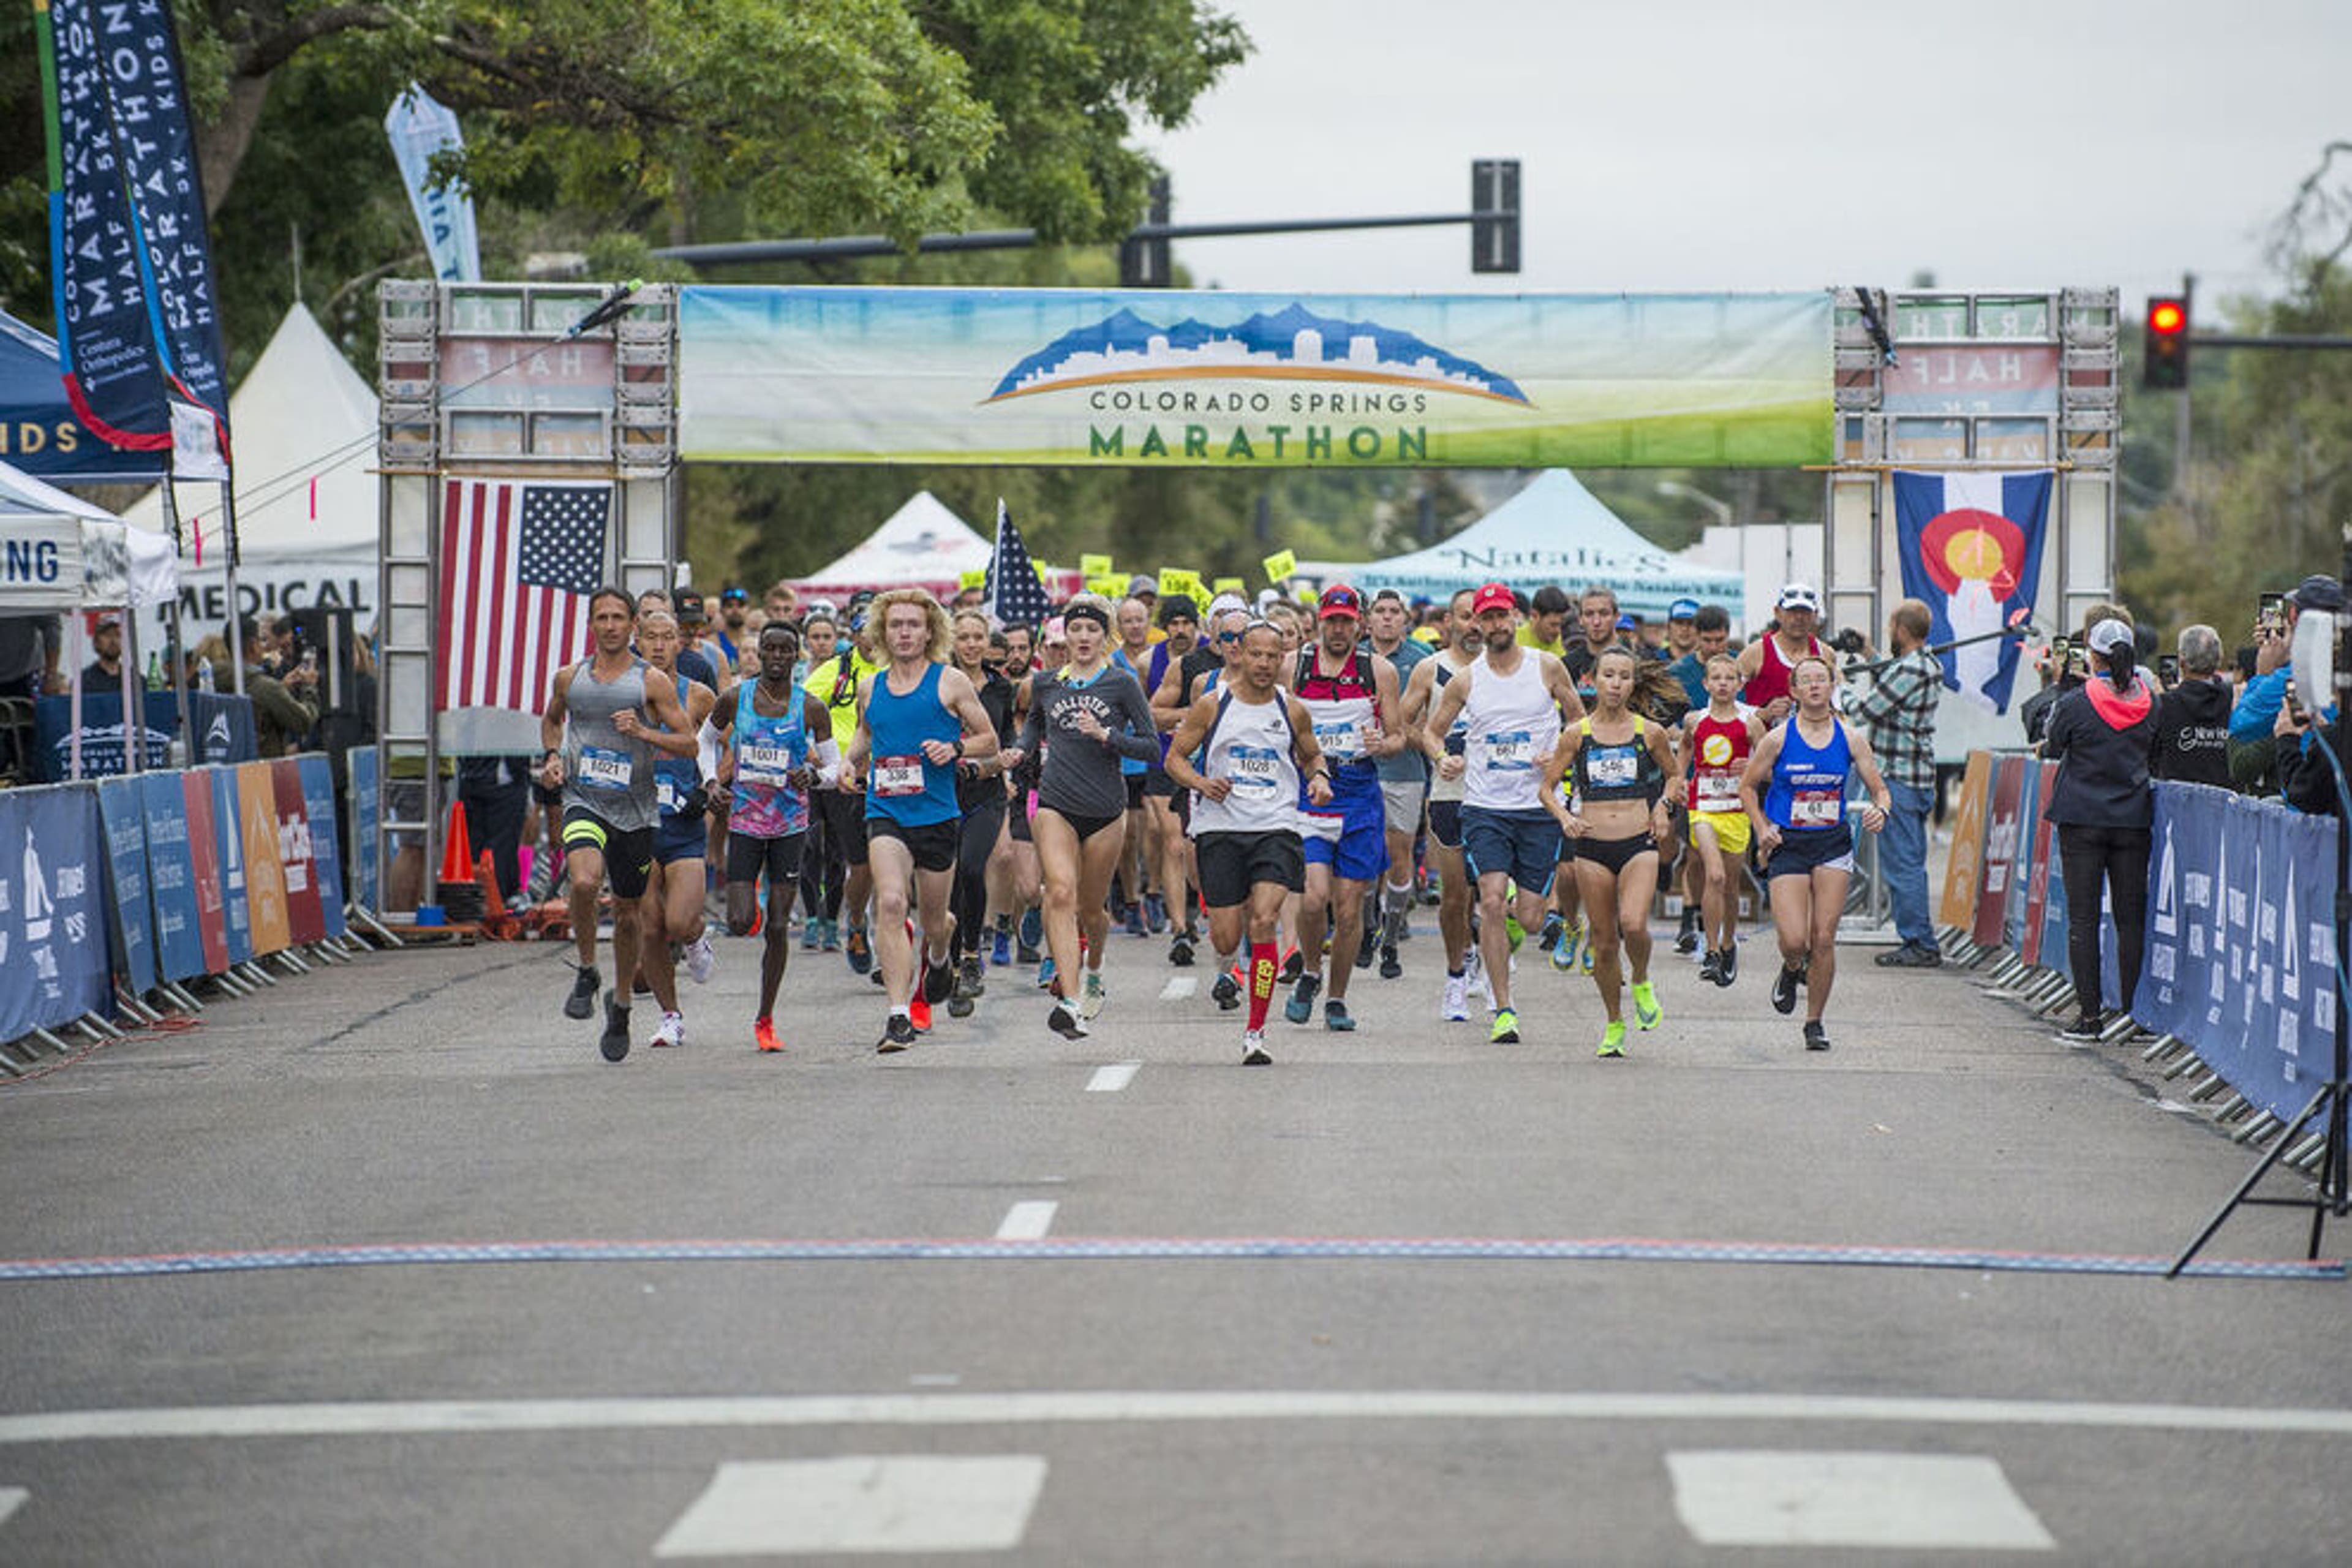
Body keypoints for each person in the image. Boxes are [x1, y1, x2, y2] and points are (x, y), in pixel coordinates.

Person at [538, 587, 700, 1062]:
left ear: (633, 624)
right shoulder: (570, 678)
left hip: (637, 808)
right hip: (584, 798)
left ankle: (623, 1005)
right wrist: (552, 756)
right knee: (586, 881)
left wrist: (643, 732)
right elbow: (551, 722)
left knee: (631, 914)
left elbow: (689, 742)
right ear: (590, 624)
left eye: (617, 618)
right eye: (601, 618)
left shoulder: (651, 682)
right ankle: (588, 969)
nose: (609, 626)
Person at [1425, 581, 1589, 1044]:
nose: (1496, 624)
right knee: (1491, 900)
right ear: (1477, 623)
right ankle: (1504, 1008)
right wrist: (1443, 759)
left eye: (1503, 615)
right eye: (1488, 617)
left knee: (1532, 919)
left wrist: (1558, 752)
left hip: (1536, 806)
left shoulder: (1547, 667)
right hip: (1485, 807)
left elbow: (1579, 721)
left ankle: (1528, 914)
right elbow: (1432, 733)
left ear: (1516, 618)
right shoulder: (1467, 680)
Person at [1163, 619, 1332, 1065]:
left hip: (1275, 827)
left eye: (1272, 656)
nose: (1263, 663)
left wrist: (1319, 778)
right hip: (1220, 829)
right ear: (1238, 652)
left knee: (1264, 920)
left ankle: (1255, 1031)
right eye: (1255, 653)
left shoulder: (1291, 708)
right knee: (1224, 938)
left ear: (1282, 660)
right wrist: (1200, 782)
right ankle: (1228, 957)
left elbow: (1312, 754)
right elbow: (1174, 759)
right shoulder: (1211, 705)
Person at [842, 589, 1000, 1052]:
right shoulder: (871, 687)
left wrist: (955, 748)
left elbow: (988, 739)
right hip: (885, 810)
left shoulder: (950, 681)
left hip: (937, 815)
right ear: (882, 632)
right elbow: (866, 736)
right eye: (896, 625)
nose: (904, 632)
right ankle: (897, 1015)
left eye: (913, 624)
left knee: (935, 921)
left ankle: (938, 954)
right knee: (890, 903)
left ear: (930, 631)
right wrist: (850, 764)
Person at [1001, 595, 1161, 1037]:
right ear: (1064, 636)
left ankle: (1094, 969)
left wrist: (1108, 734)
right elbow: (1034, 724)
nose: (1084, 637)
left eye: (1092, 630)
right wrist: (1021, 750)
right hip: (1056, 802)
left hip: (1107, 810)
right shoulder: (1046, 683)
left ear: (1104, 636)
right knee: (1059, 893)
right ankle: (1070, 1001)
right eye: (1076, 630)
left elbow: (1151, 747)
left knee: (1092, 909)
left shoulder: (1122, 684)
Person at [1740, 655, 1891, 1052]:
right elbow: (1747, 786)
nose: (1814, 687)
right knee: (1793, 940)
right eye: (1805, 681)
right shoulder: (1778, 738)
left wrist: (1881, 810)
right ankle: (1792, 969)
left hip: (1831, 842)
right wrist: (1762, 828)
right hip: (1788, 842)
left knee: (1823, 938)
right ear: (1794, 691)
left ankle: (1814, 1022)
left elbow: (1880, 789)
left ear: (1831, 686)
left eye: (1820, 680)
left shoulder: (1851, 737)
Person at [1542, 647, 1681, 1057]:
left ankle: (1640, 978)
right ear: (1594, 681)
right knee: (1603, 942)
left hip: (1639, 840)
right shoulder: (1577, 734)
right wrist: (1565, 818)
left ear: (1633, 683)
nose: (1616, 683)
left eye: (1624, 676)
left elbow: (1675, 778)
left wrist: (1662, 807)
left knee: (1634, 925)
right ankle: (1614, 1022)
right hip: (1591, 845)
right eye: (1609, 676)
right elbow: (1546, 788)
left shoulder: (1648, 732)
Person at [1284, 583, 1406, 1032]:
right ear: (1319, 620)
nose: (1338, 629)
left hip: (1358, 791)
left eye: (1346, 621)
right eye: (1331, 620)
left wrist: (1382, 743)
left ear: (1360, 623)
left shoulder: (1379, 670)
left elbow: (1398, 736)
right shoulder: (1293, 665)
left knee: (1351, 908)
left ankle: (1336, 998)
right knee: (1314, 897)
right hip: (1311, 787)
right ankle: (1311, 972)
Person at [710, 620, 835, 1052]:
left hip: (788, 825)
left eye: (787, 650)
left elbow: (836, 770)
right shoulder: (734, 699)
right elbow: (704, 739)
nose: (779, 657)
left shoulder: (810, 707)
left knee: (779, 926)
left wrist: (815, 775)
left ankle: (765, 1017)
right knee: (741, 921)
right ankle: (752, 909)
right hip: (745, 821)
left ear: (796, 655)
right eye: (771, 650)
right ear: (759, 654)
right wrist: (711, 781)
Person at [2039, 618, 2158, 1042]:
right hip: (2132, 820)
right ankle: (2133, 1015)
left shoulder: (2076, 701)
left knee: (2084, 920)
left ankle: (2090, 1017)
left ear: (2092, 655)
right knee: (2130, 921)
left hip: (2083, 819)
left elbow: (2053, 744)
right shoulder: (2150, 701)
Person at [628, 610, 722, 1050]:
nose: (661, 646)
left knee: (680, 921)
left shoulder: (699, 695)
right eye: (652, 638)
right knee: (650, 928)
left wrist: (711, 784)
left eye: (669, 638)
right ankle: (671, 1017)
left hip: (682, 823)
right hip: (637, 822)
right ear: (639, 642)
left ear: (679, 644)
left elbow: (731, 741)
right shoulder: (623, 692)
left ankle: (697, 938)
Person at [1847, 598, 1945, 969]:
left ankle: (1919, 941)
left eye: (1891, 628)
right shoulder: (1920, 664)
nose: (1890, 633)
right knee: (1909, 861)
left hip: (1901, 778)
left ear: (1901, 630)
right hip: (1914, 776)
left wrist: (1837, 685)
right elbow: (1891, 687)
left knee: (1902, 862)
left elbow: (1867, 709)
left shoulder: (1914, 667)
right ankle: (1917, 937)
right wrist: (1870, 653)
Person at [1401, 587, 1484, 1020]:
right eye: (1465, 617)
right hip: (1450, 793)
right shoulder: (1430, 669)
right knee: (1455, 897)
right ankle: (1456, 975)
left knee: (1494, 897)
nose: (1474, 625)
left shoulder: (1509, 671)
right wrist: (1437, 754)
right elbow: (1405, 722)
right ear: (1448, 622)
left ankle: (1487, 963)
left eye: (1481, 617)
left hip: (1499, 797)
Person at [947, 608, 1017, 1015]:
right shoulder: (938, 683)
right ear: (951, 641)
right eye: (965, 637)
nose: (972, 645)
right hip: (942, 795)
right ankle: (952, 966)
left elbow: (1004, 743)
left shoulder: (1000, 688)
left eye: (978, 637)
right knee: (949, 882)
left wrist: (998, 764)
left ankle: (972, 953)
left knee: (972, 868)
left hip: (986, 795)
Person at [805, 609, 882, 973]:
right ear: (852, 637)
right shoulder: (835, 672)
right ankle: (856, 920)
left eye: (875, 630)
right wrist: (819, 759)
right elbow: (796, 711)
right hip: (847, 781)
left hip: (896, 776)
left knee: (894, 867)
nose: (870, 638)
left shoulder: (903, 668)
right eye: (862, 632)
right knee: (862, 868)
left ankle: (889, 946)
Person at [1678, 654, 1759, 986]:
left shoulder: (1750, 723)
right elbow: (1684, 749)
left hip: (1736, 810)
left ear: (1740, 684)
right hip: (1703, 807)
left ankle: (1728, 945)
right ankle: (1710, 950)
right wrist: (1679, 779)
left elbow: (1769, 760)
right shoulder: (1695, 721)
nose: (1723, 684)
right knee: (1713, 876)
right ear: (1706, 684)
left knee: (1729, 884)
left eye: (1730, 678)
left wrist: (1750, 767)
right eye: (1717, 678)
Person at [1366, 587, 1430, 980]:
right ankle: (1367, 923)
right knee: (1366, 852)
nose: (1387, 618)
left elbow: (1431, 720)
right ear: (1369, 618)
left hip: (1406, 770)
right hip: (1360, 771)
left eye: (1394, 612)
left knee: (1398, 852)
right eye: (1380, 611)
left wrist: (1404, 733)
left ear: (1406, 618)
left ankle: (1391, 933)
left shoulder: (1421, 660)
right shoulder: (1354, 657)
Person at [1141, 594, 1206, 965]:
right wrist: (1191, 714)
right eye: (1174, 623)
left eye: (1186, 623)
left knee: (1197, 853)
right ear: (1164, 627)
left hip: (1203, 766)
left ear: (1197, 626)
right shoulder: (1149, 661)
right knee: (1173, 844)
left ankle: (1196, 904)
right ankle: (1179, 929)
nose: (1180, 630)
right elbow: (1148, 714)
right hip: (1165, 762)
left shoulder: (1212, 658)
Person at [2149, 624, 2234, 788]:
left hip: (2177, 806)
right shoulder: (2235, 701)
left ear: (2181, 662)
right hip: (2225, 807)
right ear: (2220, 658)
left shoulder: (2164, 705)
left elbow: (2150, 758)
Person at [1737, 583, 1828, 725]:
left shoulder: (1825, 654)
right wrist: (1762, 713)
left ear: (1815, 615)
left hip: (1813, 742)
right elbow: (1722, 703)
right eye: (1792, 611)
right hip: (1765, 743)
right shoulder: (1756, 653)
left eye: (1805, 612)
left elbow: (1838, 705)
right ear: (1777, 613)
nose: (1799, 618)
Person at [232, 614, 319, 758]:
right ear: (253, 646)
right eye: (262, 641)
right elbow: (303, 721)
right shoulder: (265, 684)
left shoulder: (229, 679)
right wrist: (309, 687)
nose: (288, 653)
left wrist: (282, 687)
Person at [1666, 603, 1725, 713]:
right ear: (1697, 635)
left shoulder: (1742, 666)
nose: (1713, 647)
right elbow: (1665, 718)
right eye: (1707, 640)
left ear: (1728, 635)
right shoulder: (1676, 672)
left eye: (1719, 640)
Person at [1517, 584, 1572, 658]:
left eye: (1561, 624)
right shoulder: (1514, 642)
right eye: (1553, 625)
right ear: (1535, 616)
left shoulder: (1558, 643)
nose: (1558, 631)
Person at [80, 613, 124, 687]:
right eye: (108, 635)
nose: (113, 641)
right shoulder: (84, 681)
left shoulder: (136, 681)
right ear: (96, 642)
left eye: (118, 635)